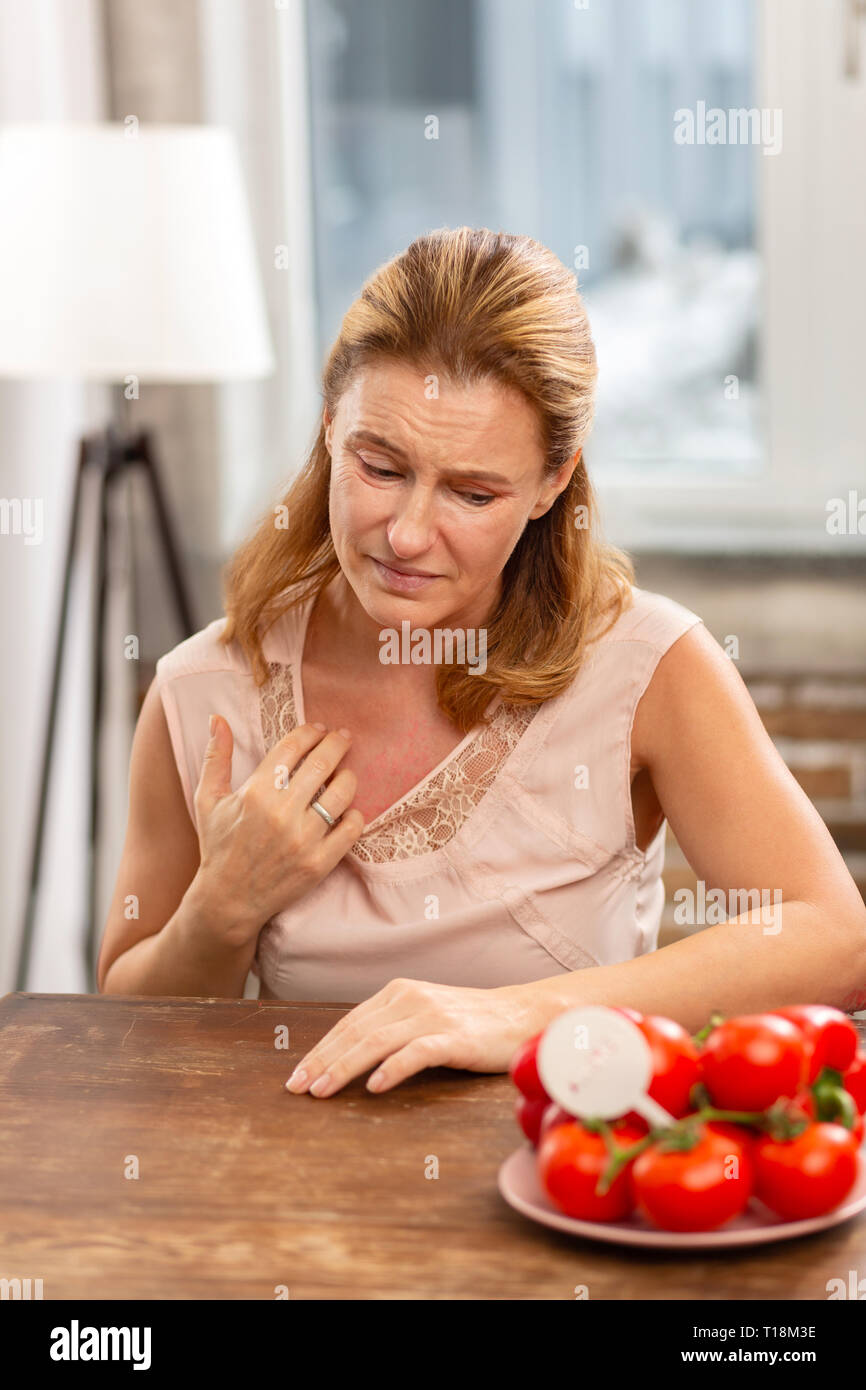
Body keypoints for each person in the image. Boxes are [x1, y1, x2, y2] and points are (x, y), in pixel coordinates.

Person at [97, 226, 866, 1099]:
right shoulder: (203, 690)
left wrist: (513, 1017)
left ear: (550, 483)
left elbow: (832, 938)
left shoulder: (648, 665)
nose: (410, 534)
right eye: (380, 466)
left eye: (473, 492)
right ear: (329, 427)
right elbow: (124, 1029)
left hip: (566, 1190)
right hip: (304, 1209)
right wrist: (222, 906)